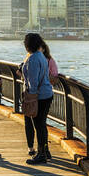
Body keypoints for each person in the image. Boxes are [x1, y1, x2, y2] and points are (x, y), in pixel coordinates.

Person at [20, 32, 54, 164]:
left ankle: (41, 155)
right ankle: (45, 152)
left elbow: (33, 82)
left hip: (38, 96)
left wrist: (29, 98)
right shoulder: (41, 56)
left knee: (38, 126)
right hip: (46, 94)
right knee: (42, 125)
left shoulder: (33, 59)